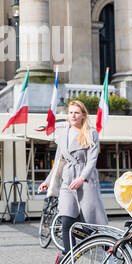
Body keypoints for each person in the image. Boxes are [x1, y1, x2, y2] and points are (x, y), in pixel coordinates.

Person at [37, 99, 108, 255]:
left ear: (83, 115)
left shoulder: (91, 133)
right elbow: (58, 163)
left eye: (76, 112)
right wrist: (48, 181)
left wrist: (82, 178)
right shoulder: (63, 135)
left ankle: (110, 251)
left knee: (93, 221)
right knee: (66, 221)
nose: (73, 116)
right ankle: (69, 260)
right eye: (70, 113)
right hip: (68, 182)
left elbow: (92, 160)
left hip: (86, 180)